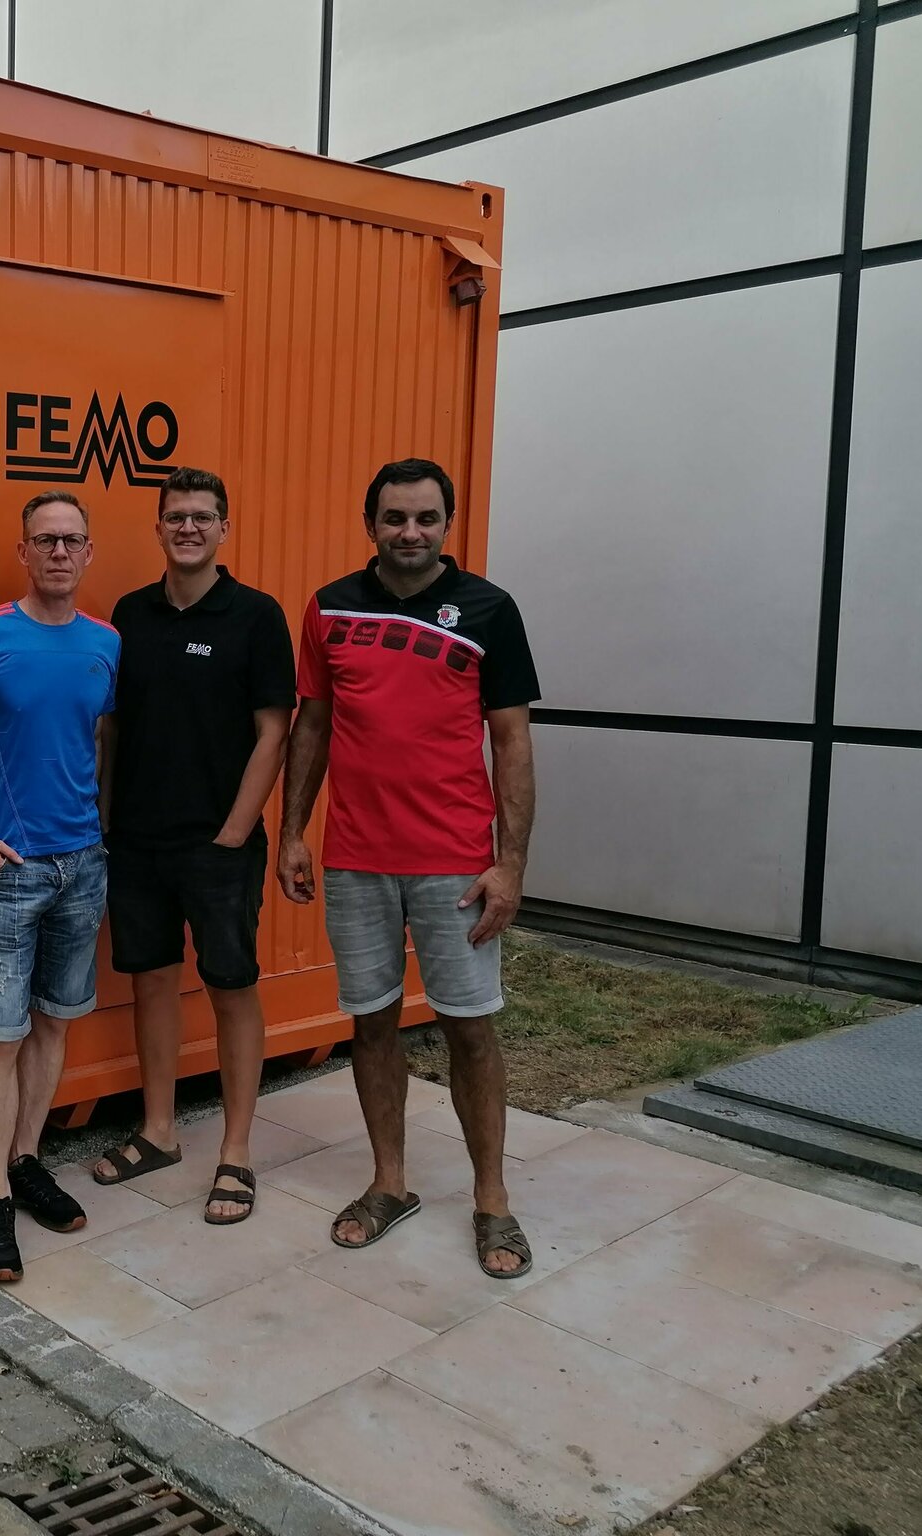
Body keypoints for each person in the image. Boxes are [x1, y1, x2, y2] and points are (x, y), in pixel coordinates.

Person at [276, 458, 540, 1278]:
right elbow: (311, 728)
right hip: (357, 860)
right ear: (372, 524)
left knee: (469, 1028)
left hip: (456, 866)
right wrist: (291, 832)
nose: (411, 533)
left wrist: (511, 864)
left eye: (426, 517)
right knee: (374, 1024)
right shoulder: (328, 608)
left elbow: (512, 743)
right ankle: (390, 1183)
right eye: (395, 518)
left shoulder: (490, 610)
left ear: (447, 523)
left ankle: (492, 1201)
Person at [0, 490, 119, 1283]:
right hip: (7, 875)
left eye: (72, 540)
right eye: (46, 540)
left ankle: (30, 1156)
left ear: (89, 551)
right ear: (24, 551)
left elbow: (98, 743)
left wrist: (96, 832)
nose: (60, 553)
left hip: (83, 867)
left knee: (55, 1024)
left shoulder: (107, 643)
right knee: (0, 1038)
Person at [91, 468, 294, 1224]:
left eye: (202, 517)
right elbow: (113, 728)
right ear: (158, 527)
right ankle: (158, 1132)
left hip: (219, 843)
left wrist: (236, 832)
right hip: (137, 841)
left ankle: (236, 1151)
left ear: (223, 529)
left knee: (231, 988)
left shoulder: (255, 616)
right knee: (150, 981)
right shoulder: (129, 615)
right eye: (175, 517)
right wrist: (107, 821)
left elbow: (275, 731)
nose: (188, 528)